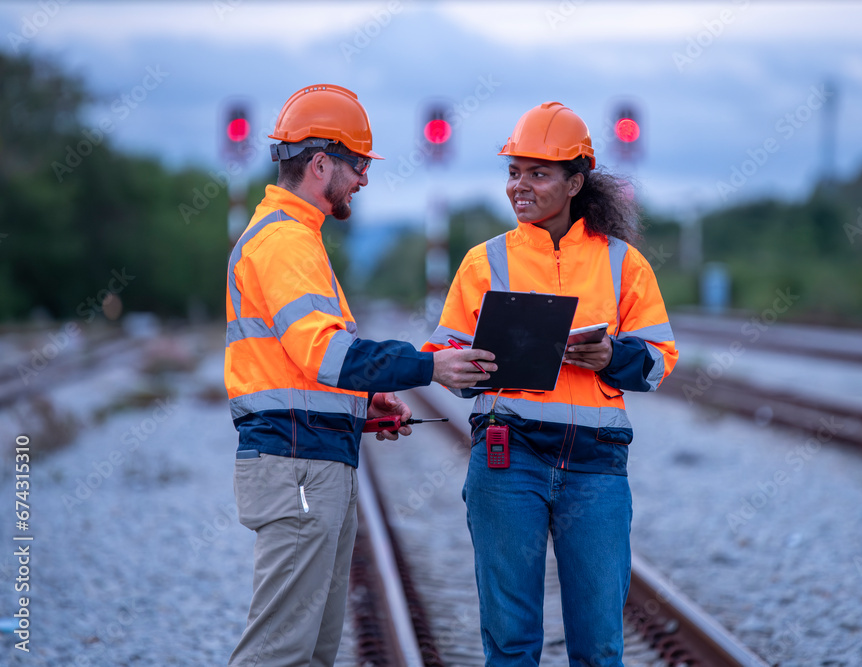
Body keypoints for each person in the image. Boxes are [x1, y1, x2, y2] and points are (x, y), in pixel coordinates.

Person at [224, 84, 496, 667]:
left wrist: (361, 404)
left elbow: (300, 362)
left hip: (311, 458)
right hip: (297, 465)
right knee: (279, 652)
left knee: (312, 649)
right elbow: (328, 354)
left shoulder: (299, 241)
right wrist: (429, 365)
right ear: (320, 162)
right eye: (359, 165)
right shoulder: (284, 244)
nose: (365, 180)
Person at [422, 101, 678, 665]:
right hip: (507, 459)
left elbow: (660, 360)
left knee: (599, 646)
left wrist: (611, 354)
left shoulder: (622, 263)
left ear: (575, 182)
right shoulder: (483, 261)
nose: (520, 186)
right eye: (514, 172)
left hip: (597, 467)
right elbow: (443, 358)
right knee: (511, 643)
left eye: (538, 173)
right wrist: (470, 365)